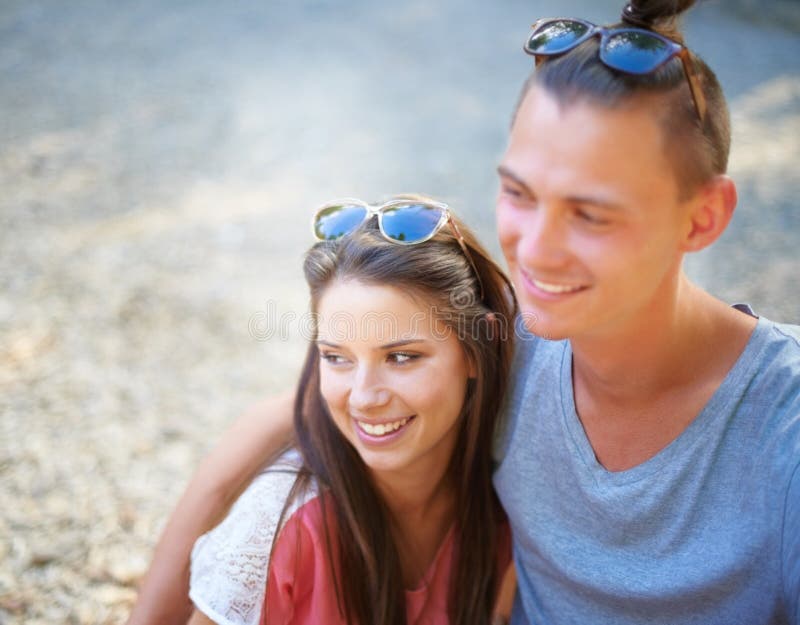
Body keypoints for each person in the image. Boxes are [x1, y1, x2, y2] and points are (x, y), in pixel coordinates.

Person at [128, 1, 800, 623]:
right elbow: (302, 408)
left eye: (590, 213)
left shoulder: (782, 427)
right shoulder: (515, 344)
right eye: (519, 193)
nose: (534, 251)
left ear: (704, 215)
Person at [182, 195, 518, 624]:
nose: (362, 397)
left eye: (401, 357)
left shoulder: (506, 510)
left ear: (478, 349)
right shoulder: (280, 529)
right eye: (337, 357)